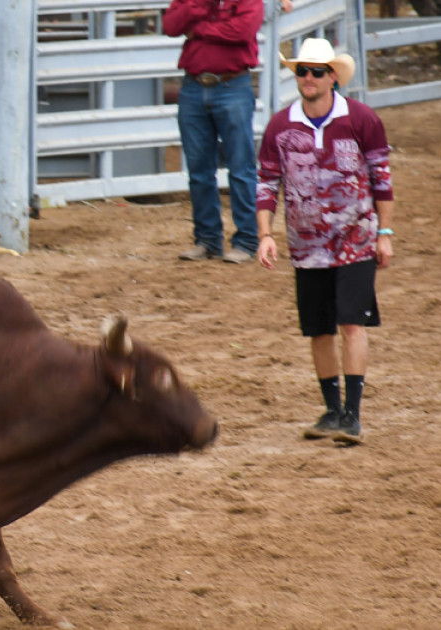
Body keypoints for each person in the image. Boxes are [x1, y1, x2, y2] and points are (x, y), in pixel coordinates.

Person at [255, 38, 394, 446]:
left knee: (350, 323)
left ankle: (351, 413)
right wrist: (265, 235)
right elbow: (267, 183)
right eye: (302, 71)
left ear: (333, 76)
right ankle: (333, 410)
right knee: (319, 329)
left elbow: (382, 179)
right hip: (306, 244)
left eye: (317, 71)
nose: (309, 78)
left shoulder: (362, 119)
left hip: (357, 238)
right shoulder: (280, 127)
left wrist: (384, 234)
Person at [163, 0, 263, 264]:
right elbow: (171, 25)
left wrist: (199, 29)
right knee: (199, 170)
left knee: (240, 167)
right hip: (198, 85)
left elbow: (242, 31)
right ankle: (208, 240)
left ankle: (245, 241)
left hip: (229, 84)